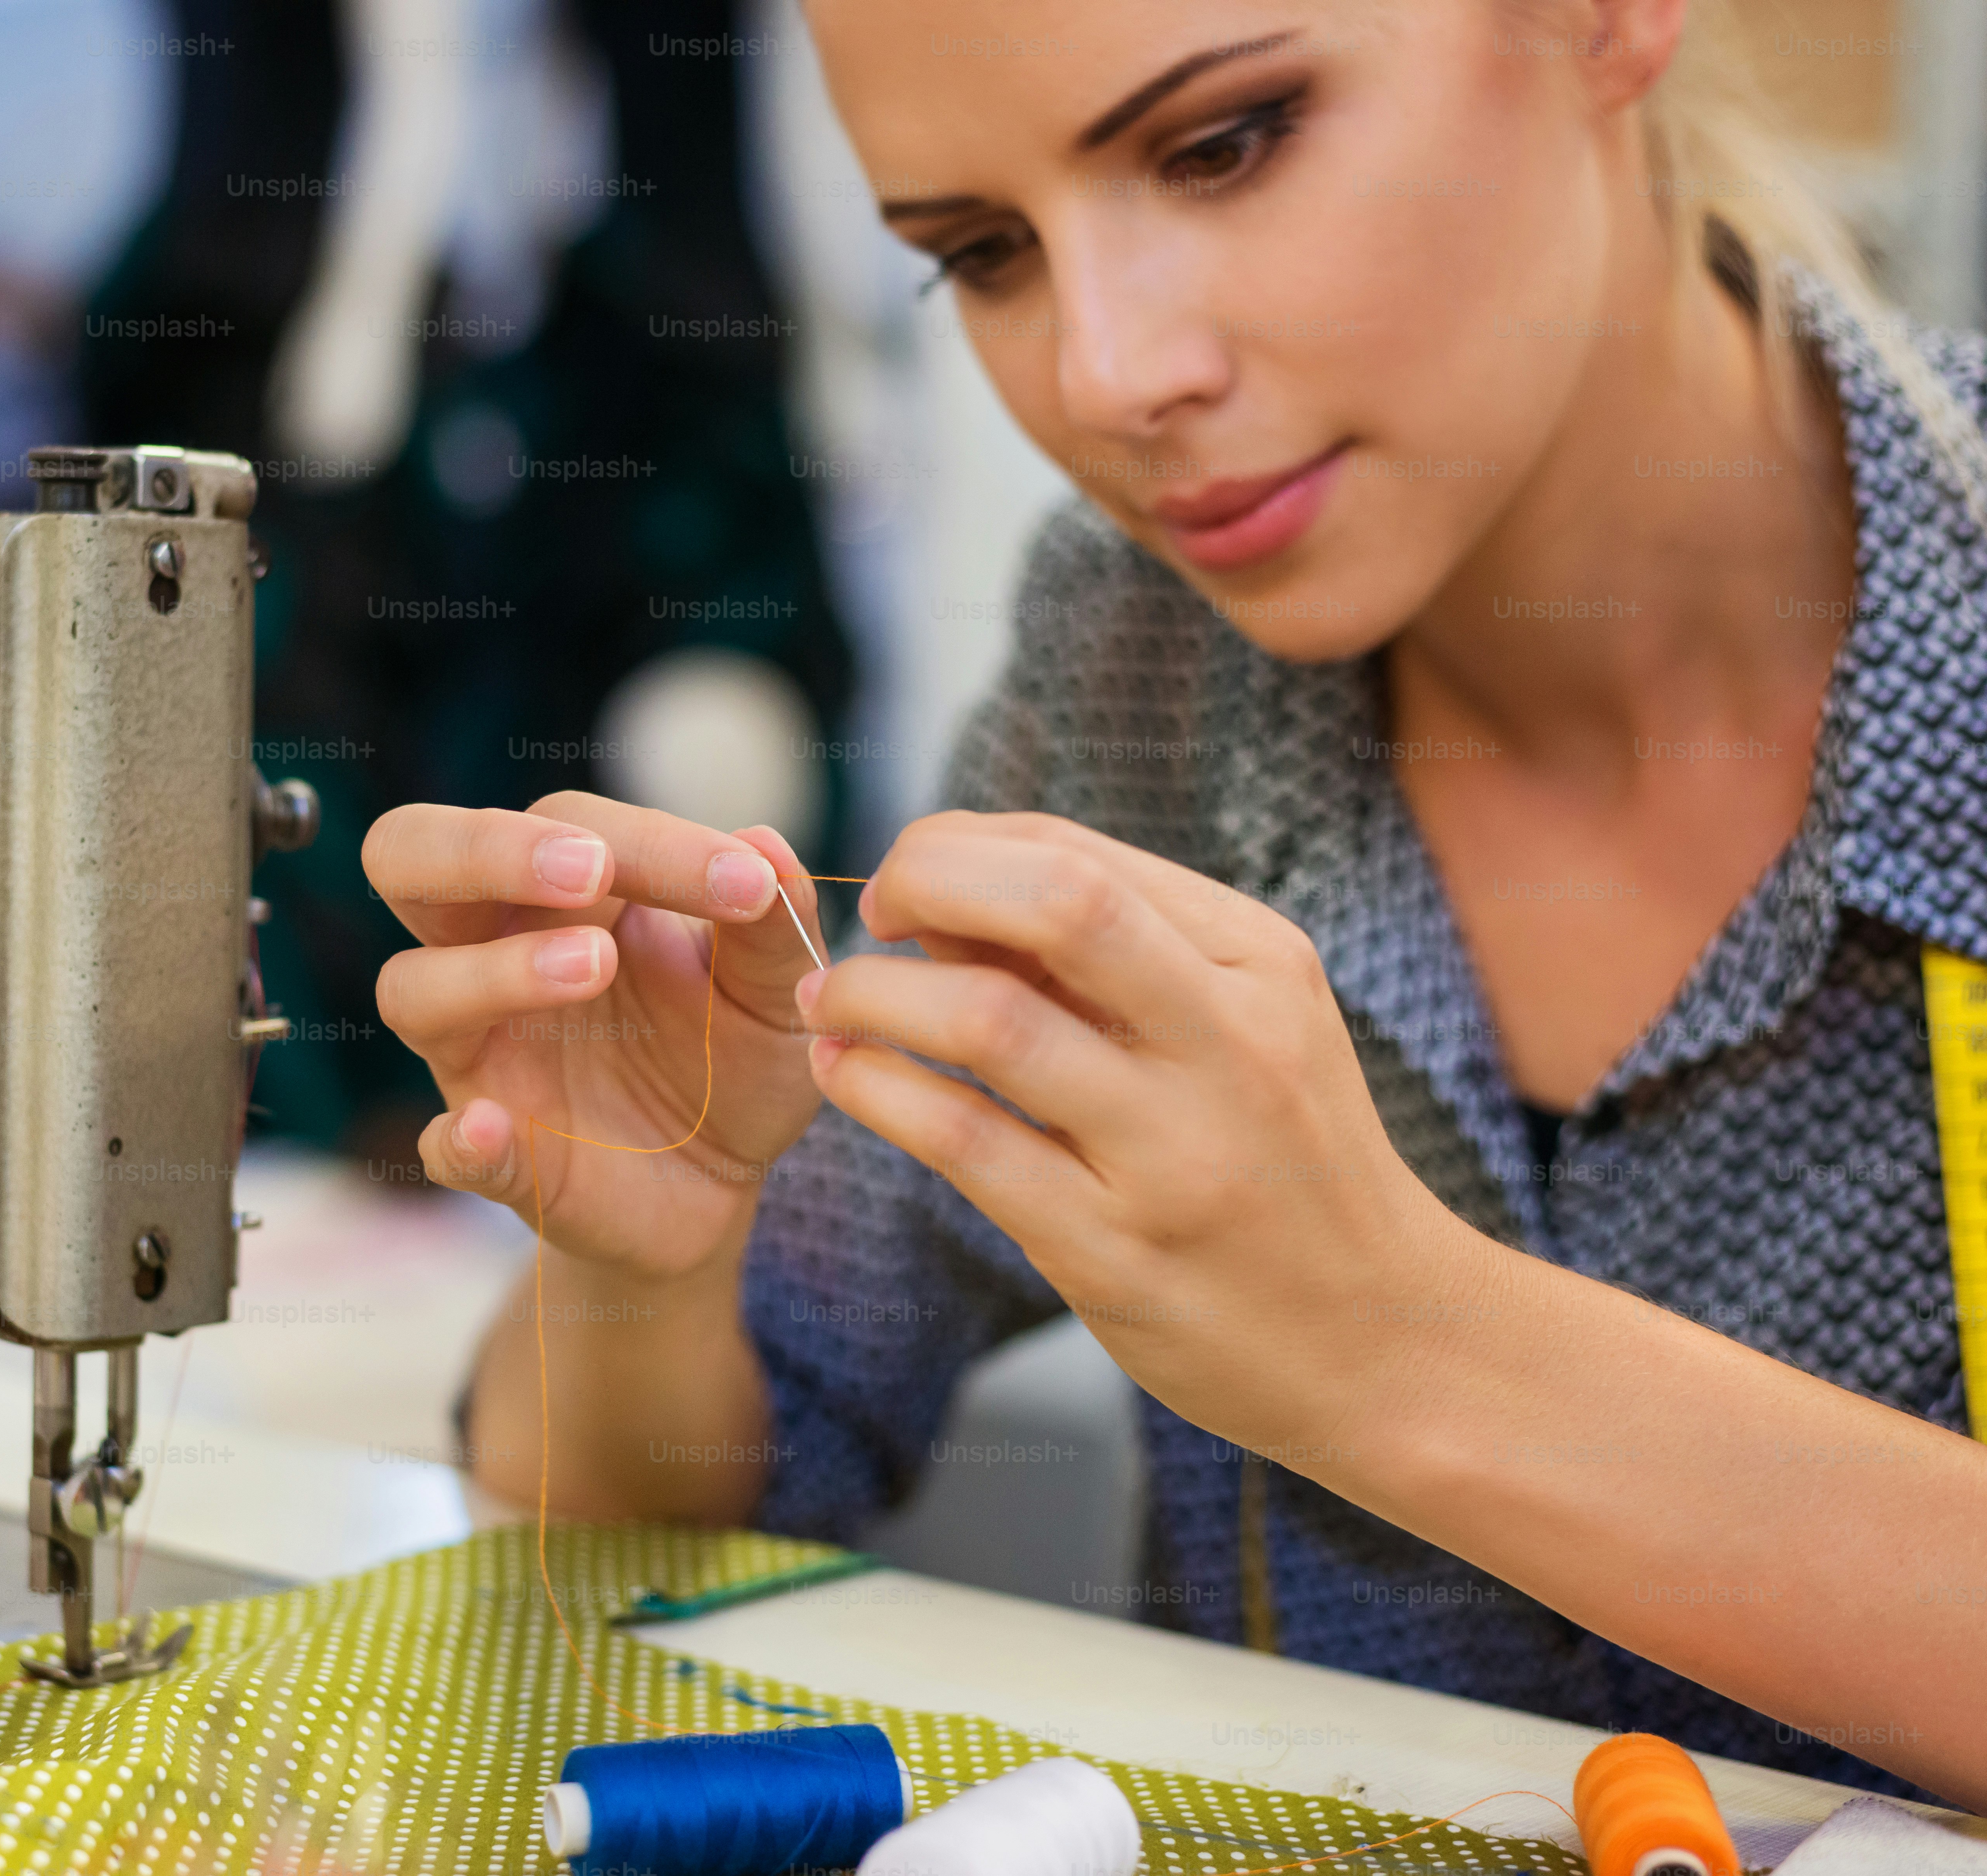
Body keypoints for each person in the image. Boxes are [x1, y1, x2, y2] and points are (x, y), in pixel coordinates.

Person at [359, 0, 1987, 1807]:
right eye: (980, 253)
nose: (1109, 376)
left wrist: (1400, 1353)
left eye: (1227, 143)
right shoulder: (1136, 664)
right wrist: (636, 1262)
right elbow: (654, 1523)